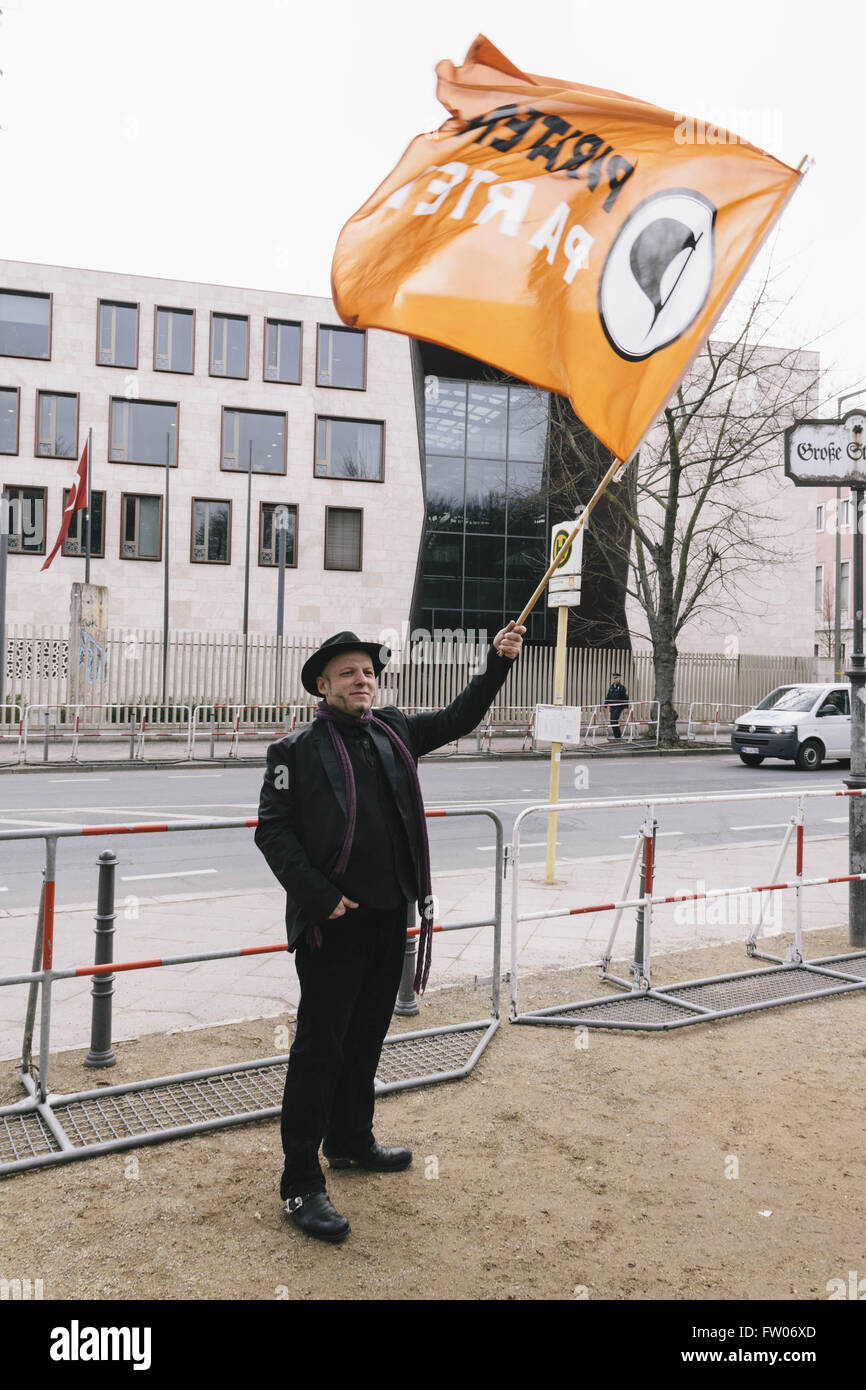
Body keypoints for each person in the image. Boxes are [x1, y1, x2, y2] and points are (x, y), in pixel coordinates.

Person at [254, 621, 525, 1243]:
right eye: (348, 672)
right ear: (322, 685)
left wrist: (496, 664)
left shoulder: (394, 730)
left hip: (390, 915)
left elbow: (458, 718)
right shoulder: (294, 751)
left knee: (368, 1034)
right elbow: (273, 833)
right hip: (333, 925)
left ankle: (350, 1139)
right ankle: (300, 1183)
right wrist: (322, 899)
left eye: (369, 671)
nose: (362, 680)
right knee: (320, 1047)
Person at [604, 671, 629, 739]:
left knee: (614, 721)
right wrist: (605, 705)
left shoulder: (622, 688)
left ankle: (618, 737)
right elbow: (608, 696)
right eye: (613, 678)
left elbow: (625, 698)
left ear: (619, 679)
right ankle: (617, 737)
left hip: (619, 707)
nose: (614, 679)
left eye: (616, 678)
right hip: (612, 707)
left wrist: (626, 707)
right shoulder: (611, 687)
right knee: (612, 722)